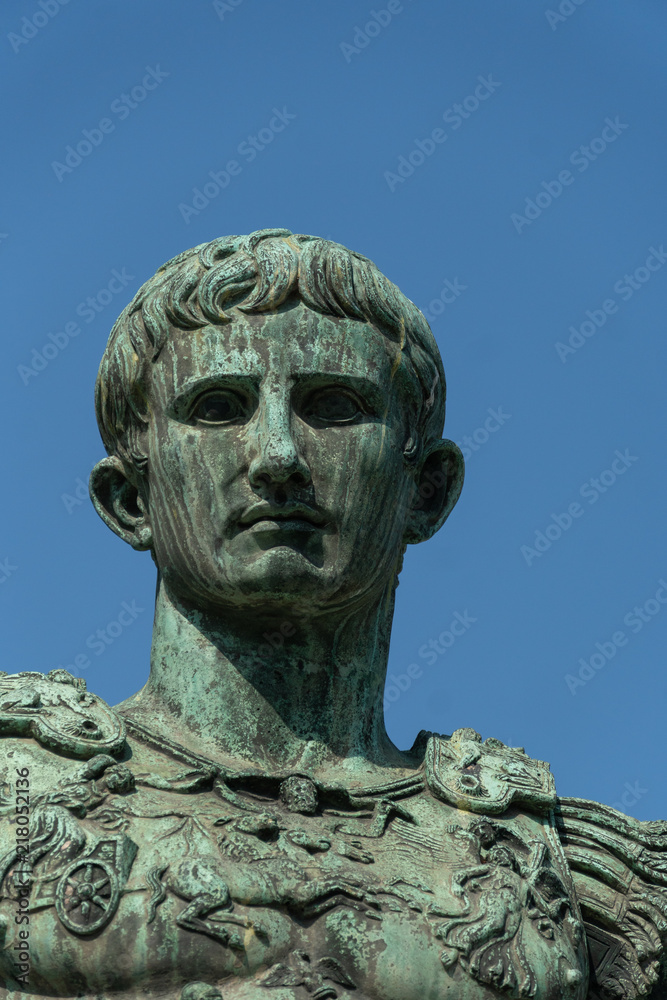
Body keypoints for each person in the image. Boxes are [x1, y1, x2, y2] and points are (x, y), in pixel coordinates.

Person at [1, 230, 665, 1000]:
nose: (278, 453)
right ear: (128, 500)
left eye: (334, 407)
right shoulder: (16, 792)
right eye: (217, 408)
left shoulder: (576, 886)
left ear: (427, 490)